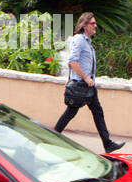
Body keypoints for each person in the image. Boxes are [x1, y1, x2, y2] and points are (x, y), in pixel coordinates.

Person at [52, 12, 124, 153]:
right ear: (85, 25)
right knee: (70, 113)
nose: (95, 26)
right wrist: (86, 78)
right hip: (81, 85)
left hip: (89, 86)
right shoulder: (79, 40)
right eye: (92, 23)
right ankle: (52, 136)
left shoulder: (87, 42)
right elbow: (73, 62)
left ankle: (107, 143)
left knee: (98, 113)